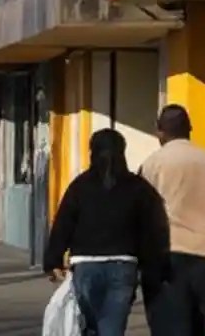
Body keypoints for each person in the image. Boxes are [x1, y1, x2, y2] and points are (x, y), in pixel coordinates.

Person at [44, 129, 168, 336]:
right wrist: (153, 267)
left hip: (85, 266)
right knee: (112, 329)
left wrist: (53, 260)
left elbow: (63, 223)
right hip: (123, 267)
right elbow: (152, 231)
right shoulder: (139, 188)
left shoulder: (80, 186)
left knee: (87, 327)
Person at [138, 105, 205, 336]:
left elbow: (140, 214)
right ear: (190, 129)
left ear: (160, 132)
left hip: (168, 256)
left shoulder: (152, 164)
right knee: (201, 329)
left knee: (167, 328)